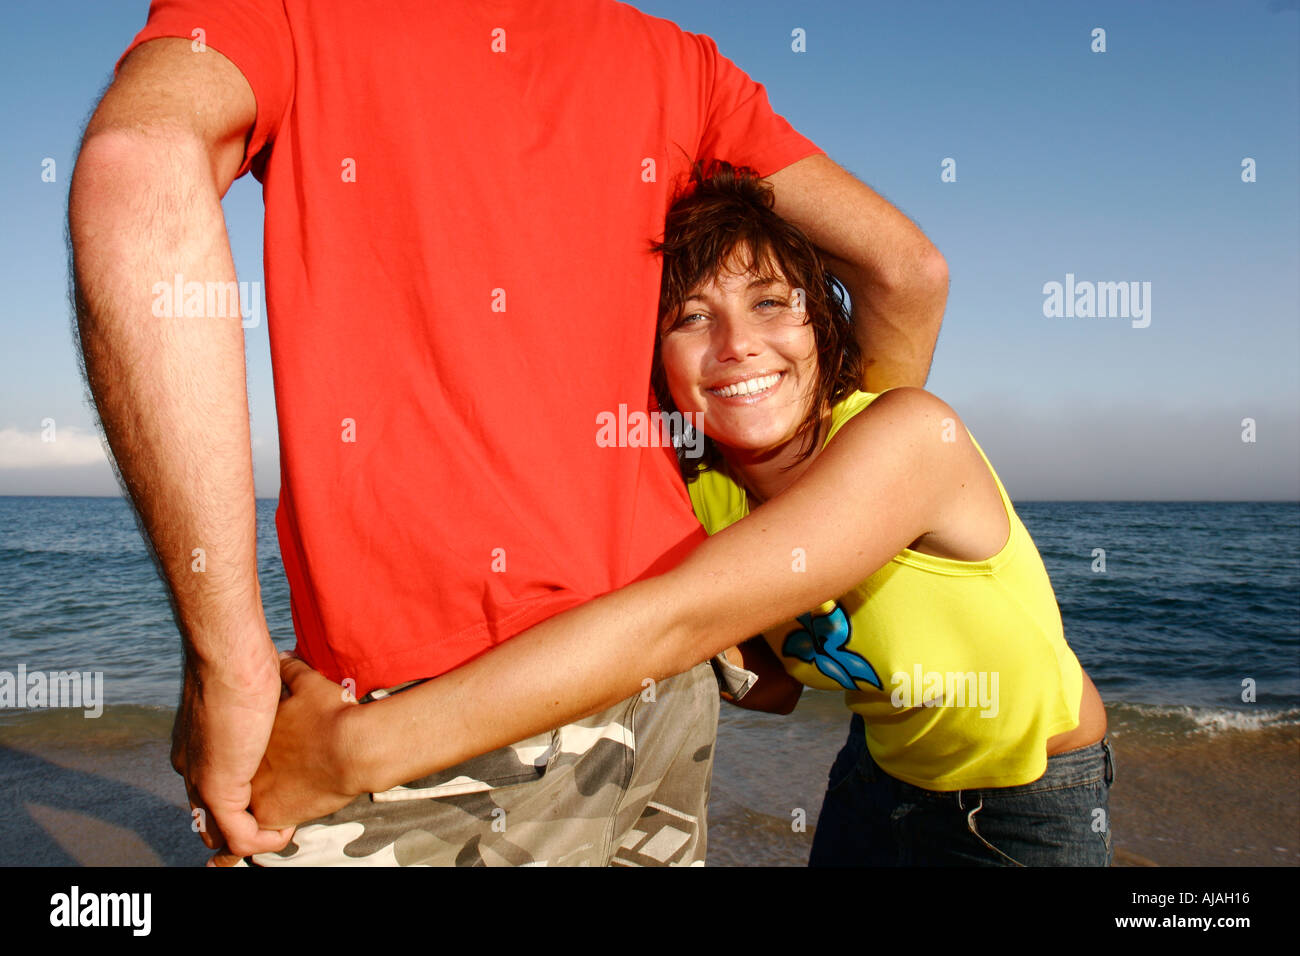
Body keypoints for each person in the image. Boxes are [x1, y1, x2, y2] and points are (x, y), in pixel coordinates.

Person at [69, 1, 948, 865]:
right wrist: (818, 538)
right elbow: (906, 271)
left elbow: (135, 166)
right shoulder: (674, 61)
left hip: (428, 716)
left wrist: (226, 662)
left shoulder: (291, 16)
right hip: (665, 681)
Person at [245, 162, 1111, 867]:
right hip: (875, 779)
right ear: (658, 363)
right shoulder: (708, 493)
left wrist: (355, 753)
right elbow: (766, 686)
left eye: (771, 303)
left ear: (823, 328)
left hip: (1028, 800)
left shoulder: (910, 438)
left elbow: (673, 620)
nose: (736, 344)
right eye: (692, 318)